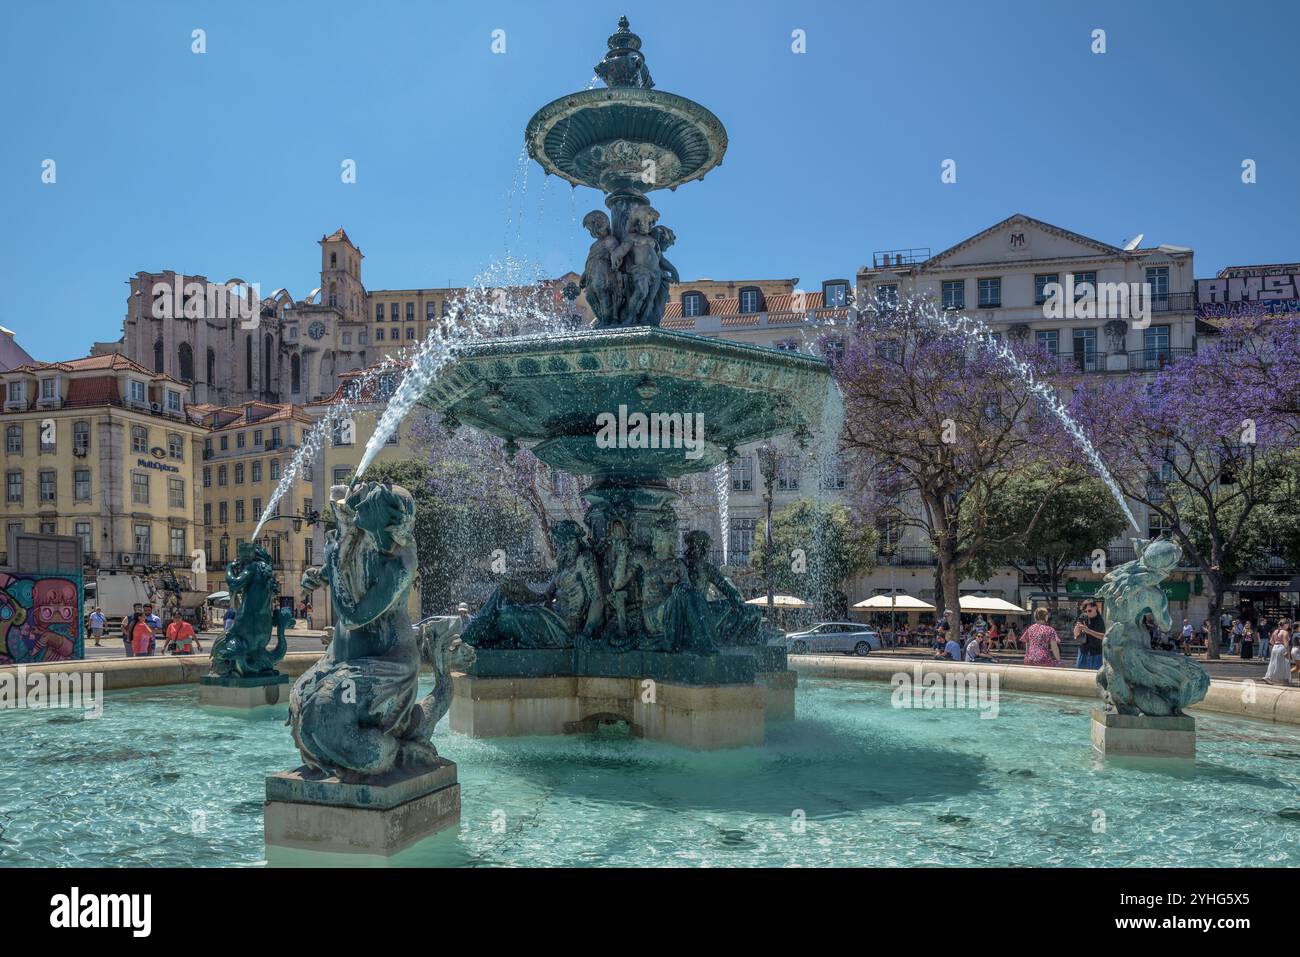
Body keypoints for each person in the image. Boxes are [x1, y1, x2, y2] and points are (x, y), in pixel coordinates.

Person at [1074, 599, 1105, 670]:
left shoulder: (1100, 620)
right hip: (1083, 652)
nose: (1087, 613)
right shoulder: (1083, 616)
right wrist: (1077, 629)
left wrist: (1088, 630)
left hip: (1096, 654)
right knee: (1080, 675)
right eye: (1085, 611)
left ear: (1095, 608)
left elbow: (1103, 636)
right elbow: (1075, 635)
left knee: (1095, 676)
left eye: (1089, 610)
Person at [1264, 620, 1291, 685]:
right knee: (1285, 664)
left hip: (1275, 648)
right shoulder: (1285, 632)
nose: (1288, 626)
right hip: (1282, 647)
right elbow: (1285, 643)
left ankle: (1268, 677)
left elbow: (1271, 642)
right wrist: (1286, 651)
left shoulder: (1275, 631)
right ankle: (1285, 680)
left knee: (1273, 663)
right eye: (1288, 624)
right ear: (1285, 625)